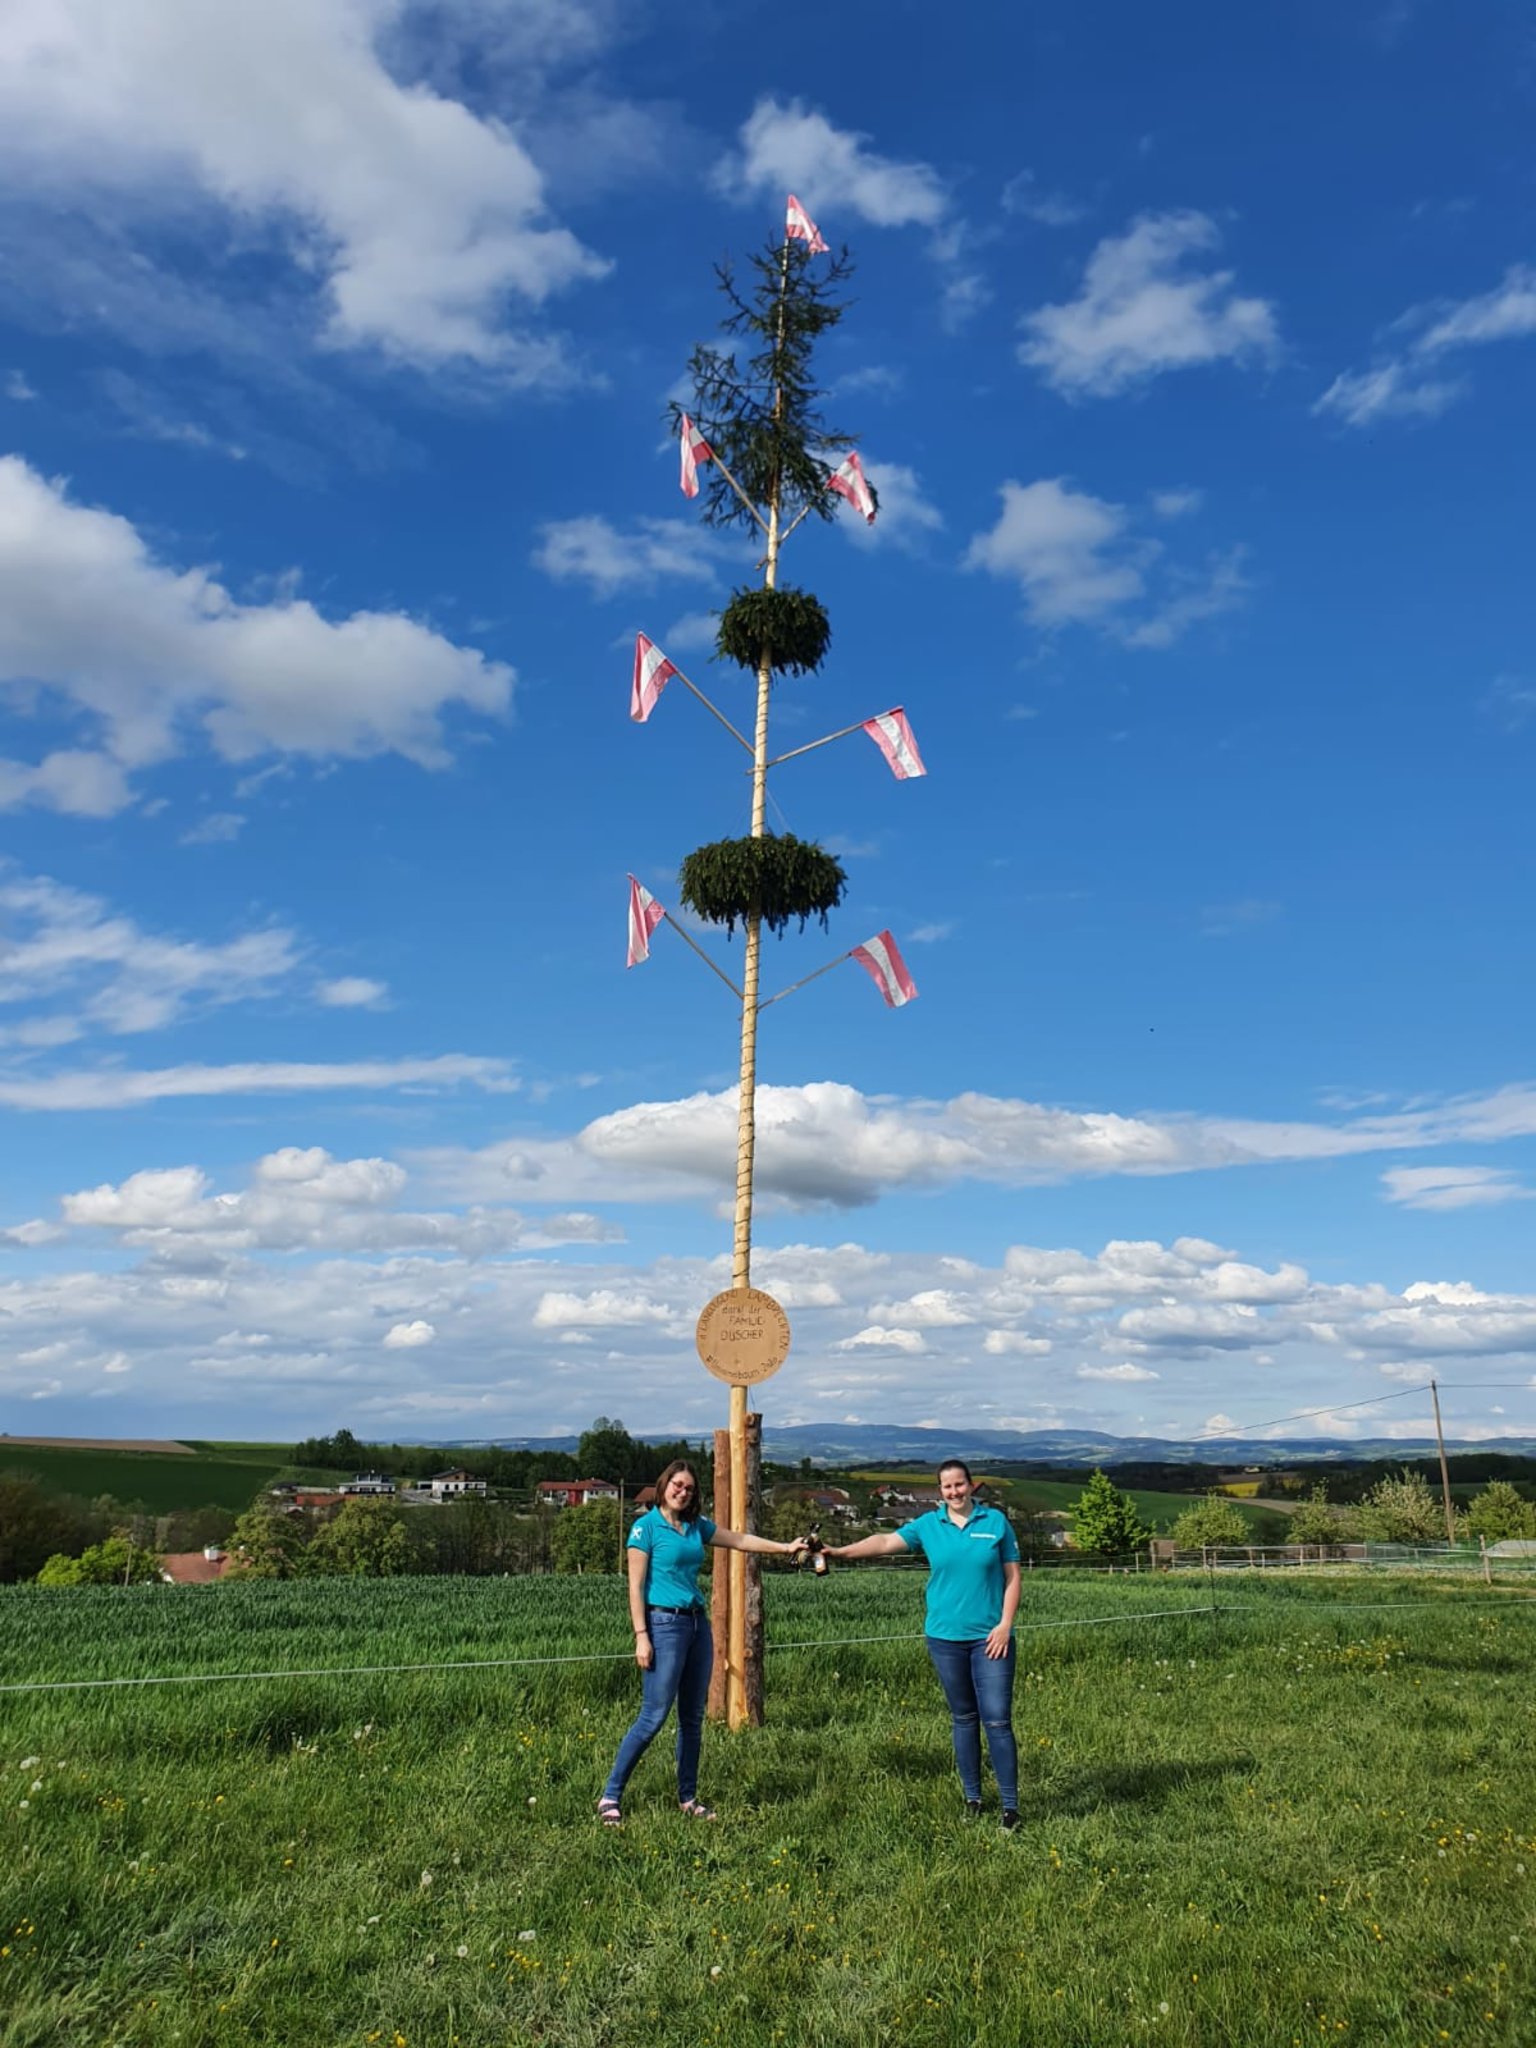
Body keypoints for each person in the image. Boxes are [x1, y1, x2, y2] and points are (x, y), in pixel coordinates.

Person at [597, 1458, 807, 1826]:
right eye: (677, 1484)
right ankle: (611, 1795)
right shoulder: (645, 1528)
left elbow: (739, 1540)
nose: (682, 1492)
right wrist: (641, 1636)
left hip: (696, 1626)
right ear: (664, 1485)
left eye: (689, 1489)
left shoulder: (695, 1526)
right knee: (653, 1716)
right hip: (663, 1625)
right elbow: (634, 1586)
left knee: (692, 1718)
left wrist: (784, 1547)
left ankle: (688, 1798)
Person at [824, 1459, 1023, 1829]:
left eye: (960, 1484)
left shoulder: (995, 1522)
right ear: (940, 1491)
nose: (954, 1492)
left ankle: (1010, 1808)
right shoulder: (929, 1525)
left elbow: (1013, 1578)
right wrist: (838, 1552)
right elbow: (884, 1542)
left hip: (991, 1639)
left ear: (971, 1485)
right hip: (945, 1638)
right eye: (947, 1486)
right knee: (964, 1718)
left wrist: (1005, 1625)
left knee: (997, 1719)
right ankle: (973, 1799)